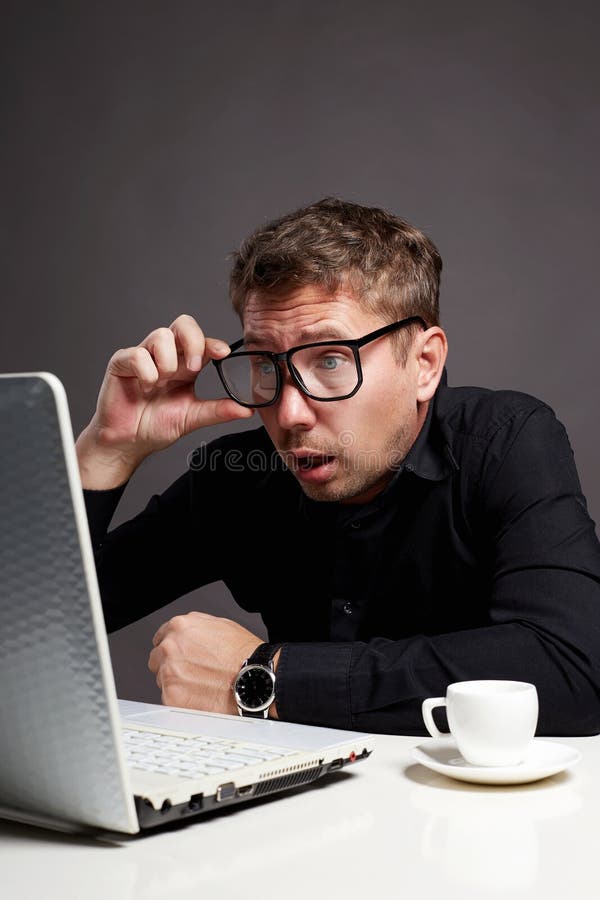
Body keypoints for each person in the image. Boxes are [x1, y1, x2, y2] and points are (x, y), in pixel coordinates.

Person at [76, 197, 600, 735]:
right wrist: (106, 450)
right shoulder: (238, 475)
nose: (289, 414)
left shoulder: (504, 442)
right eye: (265, 365)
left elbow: (575, 669)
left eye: (329, 360)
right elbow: (42, 628)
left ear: (424, 364)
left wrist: (263, 676)